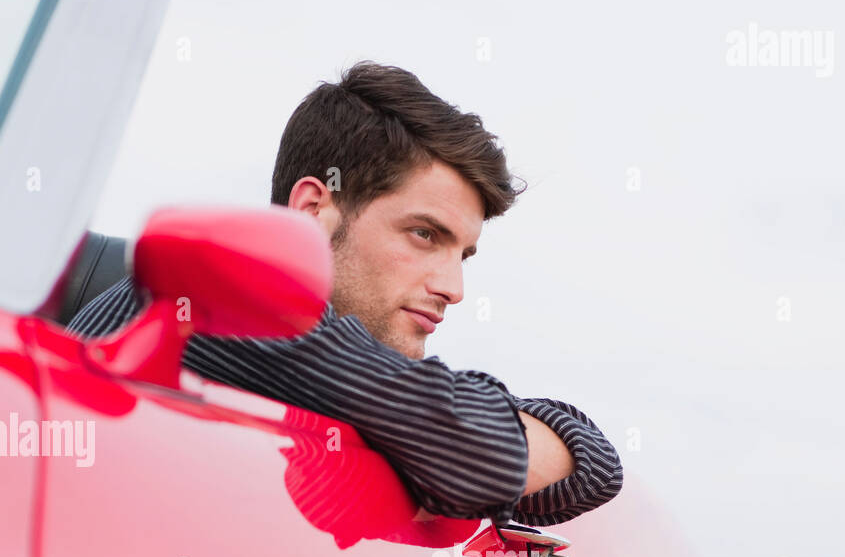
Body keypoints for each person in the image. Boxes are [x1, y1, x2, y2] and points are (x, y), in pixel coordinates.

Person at [68, 61, 623, 529]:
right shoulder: (236, 308)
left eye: (463, 255)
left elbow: (595, 464)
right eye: (424, 234)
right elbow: (478, 457)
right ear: (313, 210)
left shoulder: (299, 354)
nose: (453, 290)